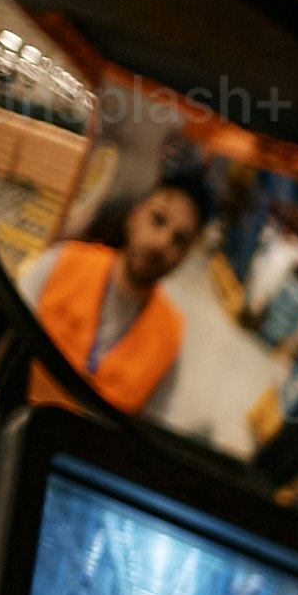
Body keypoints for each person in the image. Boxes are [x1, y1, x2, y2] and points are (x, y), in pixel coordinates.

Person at [29, 168, 216, 420]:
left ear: (185, 256)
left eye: (179, 240)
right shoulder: (62, 262)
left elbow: (149, 427)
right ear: (135, 215)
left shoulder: (170, 338)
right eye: (158, 219)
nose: (162, 242)